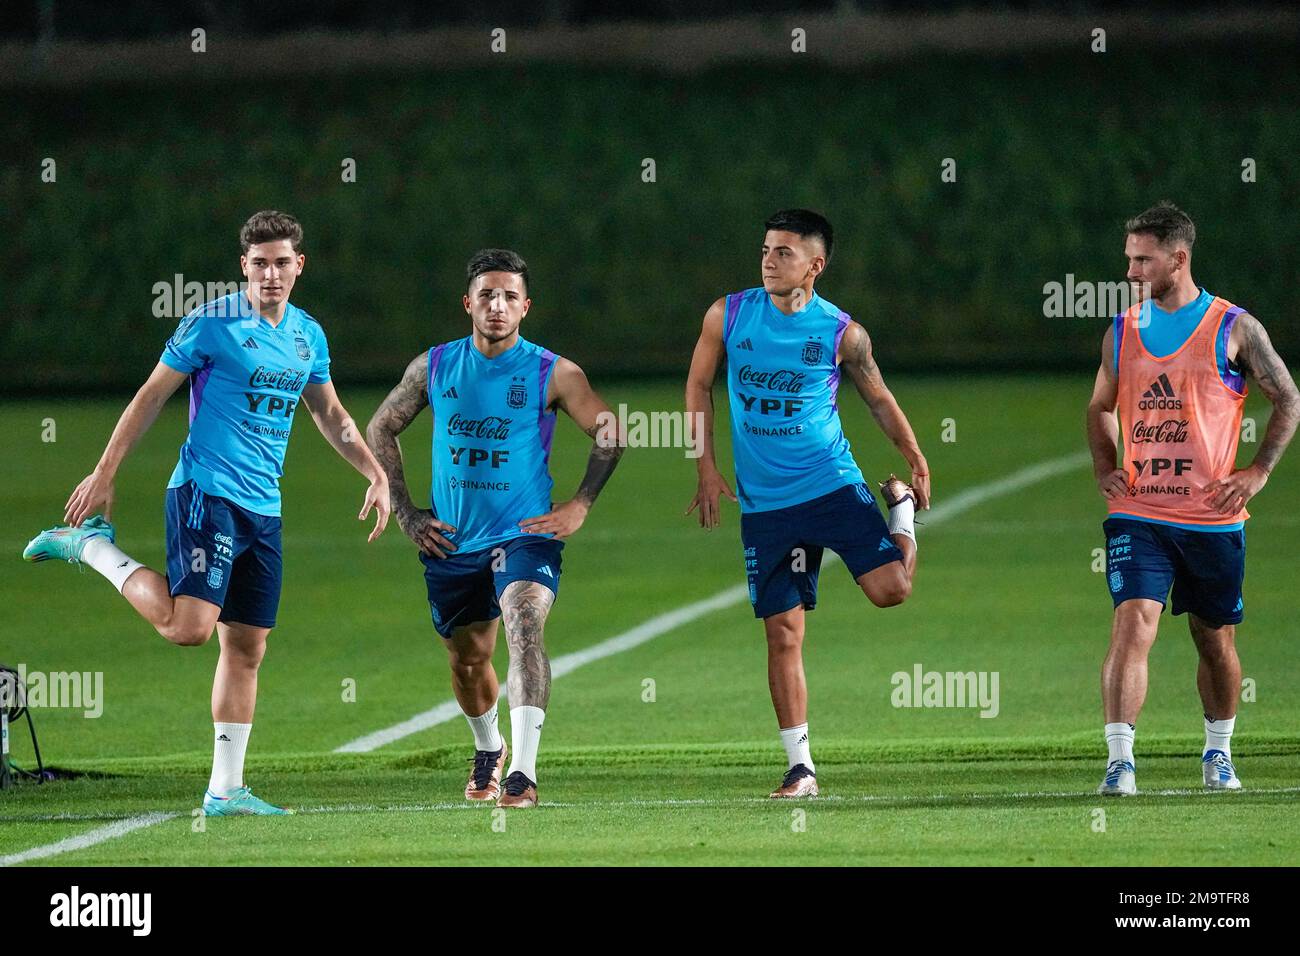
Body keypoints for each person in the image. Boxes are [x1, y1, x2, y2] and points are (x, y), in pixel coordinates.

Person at [23, 210, 390, 815]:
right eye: (259, 263)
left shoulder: (308, 336)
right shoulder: (212, 323)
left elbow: (329, 414)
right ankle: (91, 547)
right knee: (189, 628)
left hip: (263, 509)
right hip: (206, 493)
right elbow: (151, 395)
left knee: (246, 647)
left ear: (300, 266)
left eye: (281, 262)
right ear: (243, 266)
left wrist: (374, 472)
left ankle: (225, 790)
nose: (271, 273)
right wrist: (105, 472)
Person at [685, 209, 931, 798]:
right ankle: (800, 767)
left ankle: (900, 515)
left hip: (831, 485)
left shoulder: (842, 333)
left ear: (816, 265)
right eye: (767, 249)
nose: (770, 260)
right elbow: (698, 384)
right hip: (766, 506)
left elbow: (877, 398)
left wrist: (917, 458)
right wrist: (706, 466)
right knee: (783, 633)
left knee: (891, 591)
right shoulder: (729, 314)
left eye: (785, 252)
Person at [366, 249, 623, 809]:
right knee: (468, 659)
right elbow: (381, 426)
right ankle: (489, 748)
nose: (497, 305)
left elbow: (610, 430)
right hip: (452, 539)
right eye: (487, 294)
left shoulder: (553, 371)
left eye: (509, 296)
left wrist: (579, 504)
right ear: (468, 303)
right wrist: (408, 512)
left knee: (524, 623)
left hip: (525, 531)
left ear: (525, 307)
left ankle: (523, 775)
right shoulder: (433, 367)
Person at [1087, 201, 1299, 795]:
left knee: (1214, 638)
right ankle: (1120, 761)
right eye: (1129, 259)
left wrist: (1257, 471)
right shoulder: (1123, 331)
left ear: (1178, 258)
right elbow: (1099, 406)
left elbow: (1288, 398)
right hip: (1140, 513)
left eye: (1142, 260)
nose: (1130, 272)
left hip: (1212, 519)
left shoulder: (1234, 327)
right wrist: (1107, 464)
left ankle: (1218, 751)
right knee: (1133, 623)